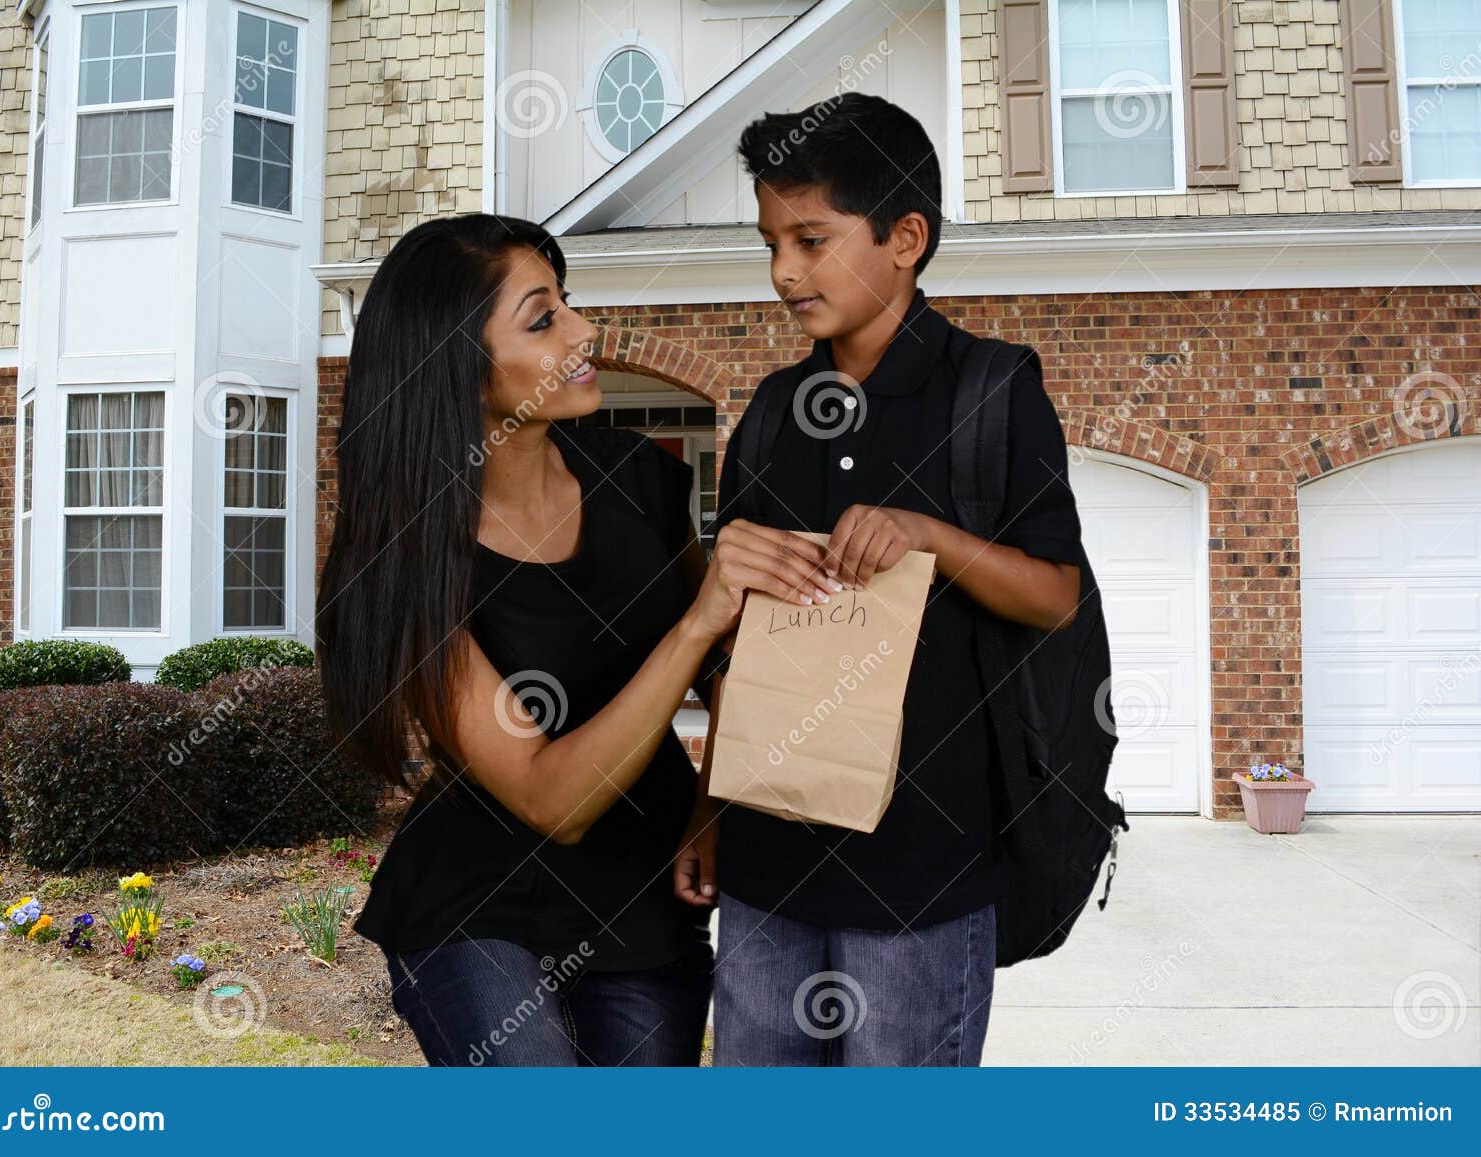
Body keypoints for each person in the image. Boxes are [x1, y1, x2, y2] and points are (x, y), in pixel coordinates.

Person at [314, 213, 841, 1066]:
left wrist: (708, 805)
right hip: (477, 904)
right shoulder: (404, 556)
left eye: (569, 304)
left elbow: (727, 674)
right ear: (457, 364)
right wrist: (701, 614)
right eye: (541, 317)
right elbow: (546, 797)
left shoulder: (643, 481)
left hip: (643, 895)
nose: (582, 330)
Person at [674, 93, 1085, 1066]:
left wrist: (929, 534)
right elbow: (744, 644)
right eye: (771, 240)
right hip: (767, 869)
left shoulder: (993, 389)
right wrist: (708, 809)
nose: (783, 270)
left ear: (905, 236)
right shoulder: (773, 412)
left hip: (923, 880)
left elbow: (1056, 593)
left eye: (811, 239)